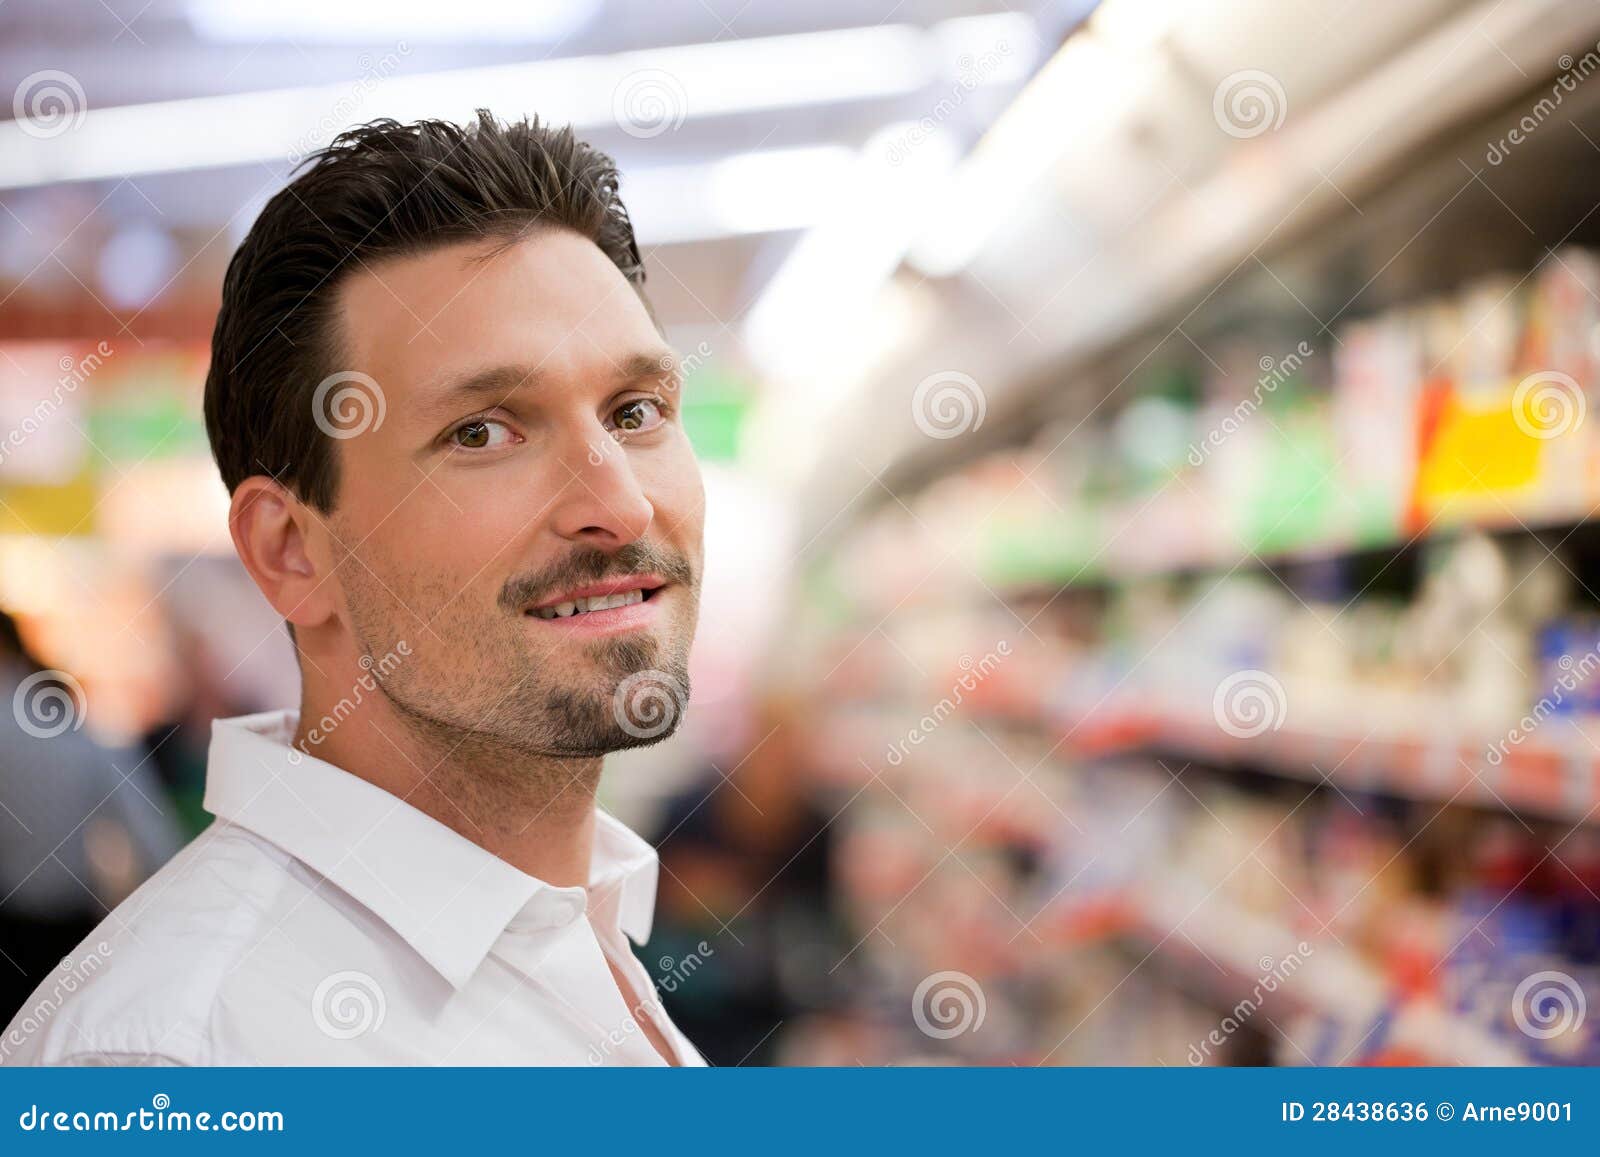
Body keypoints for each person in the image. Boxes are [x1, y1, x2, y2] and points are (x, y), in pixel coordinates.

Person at [2, 112, 707, 1065]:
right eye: (484, 432)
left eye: (636, 411)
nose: (618, 504)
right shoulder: (176, 1060)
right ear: (291, 549)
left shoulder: (581, 927)